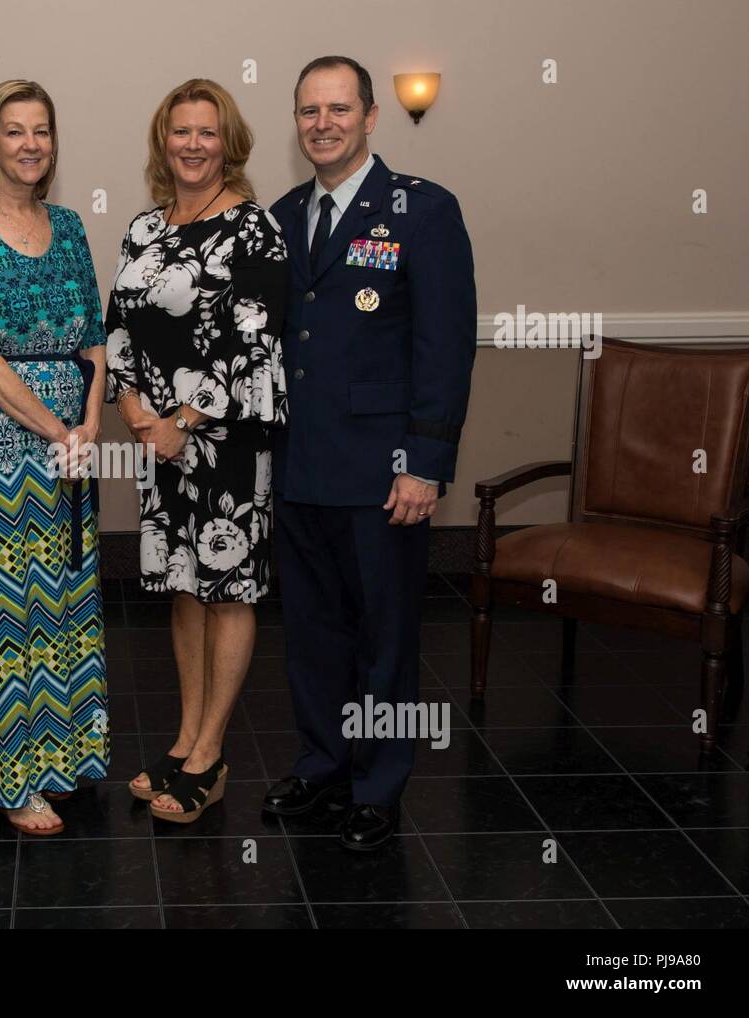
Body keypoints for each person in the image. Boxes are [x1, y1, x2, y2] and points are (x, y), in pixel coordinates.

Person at [263, 56, 476, 851]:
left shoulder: (422, 211)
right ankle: (322, 766)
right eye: (309, 110)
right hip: (300, 466)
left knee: (385, 635)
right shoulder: (283, 216)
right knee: (314, 632)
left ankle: (379, 785)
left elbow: (445, 348)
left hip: (385, 472)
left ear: (370, 116)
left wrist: (426, 461)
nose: (322, 124)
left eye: (338, 109)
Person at [105, 79, 288, 824]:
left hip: (228, 442)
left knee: (229, 589)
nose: (192, 144)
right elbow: (118, 331)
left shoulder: (255, 229)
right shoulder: (144, 228)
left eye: (206, 132)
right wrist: (136, 413)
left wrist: (182, 418)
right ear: (163, 140)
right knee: (185, 585)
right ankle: (183, 740)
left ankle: (211, 755)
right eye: (180, 131)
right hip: (160, 441)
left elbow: (257, 346)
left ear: (229, 143)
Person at [0, 80, 108, 836]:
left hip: (72, 445)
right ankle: (9, 776)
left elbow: (94, 336)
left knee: (65, 597)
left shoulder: (67, 226)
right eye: (14, 131)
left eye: (41, 131)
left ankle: (62, 758)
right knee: (2, 608)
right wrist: (55, 427)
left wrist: (90, 420)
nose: (30, 144)